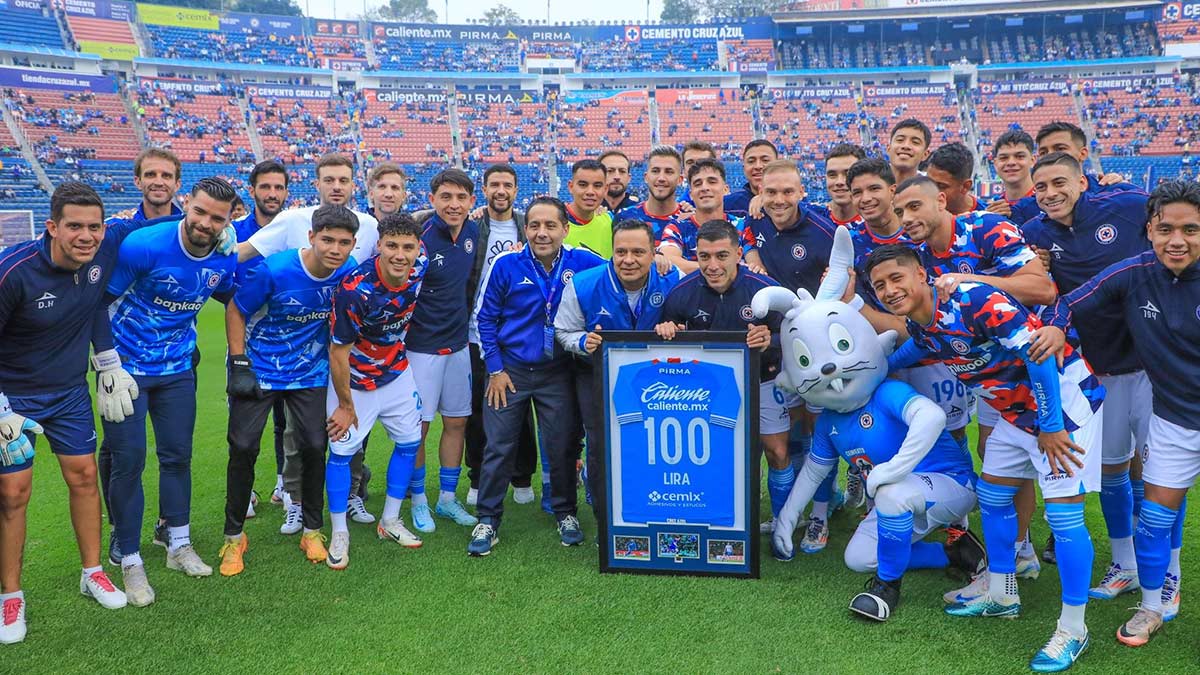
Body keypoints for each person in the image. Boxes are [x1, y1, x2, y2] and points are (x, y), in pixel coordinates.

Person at [868, 244, 1104, 673]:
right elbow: (912, 350)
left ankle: (1074, 629)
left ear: (921, 275)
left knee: (1064, 518)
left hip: (1063, 408)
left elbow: (1039, 354)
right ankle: (1002, 592)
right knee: (993, 496)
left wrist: (1052, 425)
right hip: (1016, 414)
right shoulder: (922, 324)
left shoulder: (974, 300)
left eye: (896, 278)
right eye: (879, 285)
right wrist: (868, 371)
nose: (889, 290)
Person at [759, 228, 983, 621]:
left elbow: (930, 417)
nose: (828, 368)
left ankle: (886, 589)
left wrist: (890, 471)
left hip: (951, 483)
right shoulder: (830, 422)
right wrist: (788, 518)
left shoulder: (887, 393)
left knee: (893, 496)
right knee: (858, 557)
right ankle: (954, 552)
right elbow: (813, 472)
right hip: (898, 493)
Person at [1033, 179, 1200, 645]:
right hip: (1175, 421)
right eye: (1166, 229)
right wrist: (1056, 329)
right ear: (1149, 231)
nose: (1177, 241)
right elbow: (1067, 303)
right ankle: (1151, 607)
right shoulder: (1133, 272)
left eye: (1190, 230)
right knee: (1155, 520)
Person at [895, 175, 1056, 579]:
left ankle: (1029, 550)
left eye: (914, 206)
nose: (906, 217)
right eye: (900, 211)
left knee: (1050, 470)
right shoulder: (919, 257)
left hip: (1034, 365)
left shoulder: (985, 227)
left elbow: (1043, 289)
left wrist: (973, 280)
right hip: (987, 375)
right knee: (994, 456)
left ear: (941, 200)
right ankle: (1017, 552)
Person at [0, 183, 134, 644]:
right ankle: (10, 596)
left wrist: (108, 360)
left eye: (94, 227)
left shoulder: (101, 254)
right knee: (12, 493)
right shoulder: (13, 271)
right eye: (74, 226)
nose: (86, 236)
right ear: (52, 227)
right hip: (13, 400)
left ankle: (92, 572)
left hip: (70, 394)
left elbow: (159, 217)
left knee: (84, 478)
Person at [1021, 152, 1157, 601]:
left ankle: (1164, 572)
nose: (1050, 193)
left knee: (1160, 476)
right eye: (1041, 187)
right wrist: (1036, 263)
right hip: (1101, 367)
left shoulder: (1128, 205)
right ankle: (1125, 564)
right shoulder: (1035, 233)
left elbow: (1174, 223)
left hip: (1154, 364)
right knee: (1112, 469)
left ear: (1083, 181)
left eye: (1059, 182)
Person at [103, 177, 241, 604]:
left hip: (178, 370)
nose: (205, 223)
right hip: (126, 371)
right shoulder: (144, 246)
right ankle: (130, 560)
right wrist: (106, 365)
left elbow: (232, 296)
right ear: (186, 204)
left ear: (229, 221)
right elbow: (98, 304)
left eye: (217, 218)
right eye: (199, 212)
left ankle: (177, 543)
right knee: (128, 462)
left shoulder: (224, 256)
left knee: (177, 457)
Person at [219, 204, 359, 576]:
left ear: (353, 244)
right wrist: (239, 362)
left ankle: (312, 531)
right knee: (243, 448)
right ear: (311, 237)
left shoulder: (348, 272)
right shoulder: (275, 270)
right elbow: (236, 309)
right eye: (327, 240)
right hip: (261, 370)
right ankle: (234, 537)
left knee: (314, 446)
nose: (335, 249)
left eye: (344, 242)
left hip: (310, 373)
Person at [240, 153, 379, 528]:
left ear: (353, 184)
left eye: (343, 180)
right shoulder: (292, 220)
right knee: (295, 433)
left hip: (342, 349)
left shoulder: (368, 226)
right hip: (291, 354)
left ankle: (351, 493)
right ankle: (295, 498)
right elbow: (246, 252)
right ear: (316, 183)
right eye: (329, 179)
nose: (336, 186)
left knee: (349, 423)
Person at [469, 196, 605, 556]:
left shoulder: (584, 262)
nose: (541, 233)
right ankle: (488, 518)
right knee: (499, 446)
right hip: (509, 371)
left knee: (561, 445)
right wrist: (495, 369)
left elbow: (620, 274)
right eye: (534, 226)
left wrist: (662, 261)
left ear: (565, 229)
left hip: (557, 371)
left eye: (550, 226)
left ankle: (565, 512)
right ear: (525, 229)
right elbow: (484, 318)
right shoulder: (506, 264)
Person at [654, 220, 798, 553]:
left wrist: (771, 340)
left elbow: (795, 334)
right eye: (704, 256)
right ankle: (716, 518)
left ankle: (783, 522)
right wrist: (667, 331)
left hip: (763, 380)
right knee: (715, 455)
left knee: (777, 452)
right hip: (706, 391)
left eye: (721, 255)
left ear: (738, 254)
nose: (712, 265)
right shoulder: (682, 292)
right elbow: (664, 335)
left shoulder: (765, 289)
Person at [739, 159, 845, 549]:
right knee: (794, 432)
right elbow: (743, 235)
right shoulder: (754, 220)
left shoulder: (823, 232)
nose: (779, 200)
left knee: (820, 433)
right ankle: (796, 510)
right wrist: (751, 252)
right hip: (775, 348)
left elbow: (843, 283)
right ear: (759, 193)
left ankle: (820, 515)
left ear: (802, 192)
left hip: (817, 353)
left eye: (788, 192)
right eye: (771, 192)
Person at [553, 219, 683, 523]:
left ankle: (652, 505)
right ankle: (605, 517)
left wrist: (677, 328)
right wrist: (583, 341)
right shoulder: (584, 284)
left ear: (653, 252)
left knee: (649, 441)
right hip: (597, 375)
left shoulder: (672, 278)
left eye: (638, 252)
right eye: (621, 251)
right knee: (600, 442)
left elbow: (688, 321)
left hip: (654, 379)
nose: (628, 260)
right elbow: (563, 330)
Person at [324, 212, 427, 570]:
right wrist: (345, 405)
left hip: (396, 372)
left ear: (418, 249)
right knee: (341, 453)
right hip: (355, 380)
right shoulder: (354, 290)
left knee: (410, 443)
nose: (400, 255)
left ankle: (390, 520)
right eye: (392, 246)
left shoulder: (420, 266)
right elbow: (337, 353)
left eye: (408, 247)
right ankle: (340, 532)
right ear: (379, 245)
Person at [406, 169, 479, 532]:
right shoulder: (419, 238)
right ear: (432, 199)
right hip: (422, 349)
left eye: (461, 197)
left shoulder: (473, 232)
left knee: (457, 421)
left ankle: (447, 498)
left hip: (459, 345)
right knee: (418, 428)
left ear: (472, 202)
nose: (454, 204)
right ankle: (418, 499)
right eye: (446, 197)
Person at [463, 164, 539, 508]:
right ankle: (478, 477)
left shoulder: (527, 225)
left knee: (520, 411)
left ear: (516, 189)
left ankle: (522, 476)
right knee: (478, 410)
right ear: (484, 189)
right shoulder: (473, 226)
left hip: (518, 335)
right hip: (477, 333)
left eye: (507, 185)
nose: (501, 191)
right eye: (494, 184)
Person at [231, 160, 290, 511]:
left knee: (287, 422)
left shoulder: (295, 227)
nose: (272, 194)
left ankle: (284, 482)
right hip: (248, 341)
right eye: (265, 187)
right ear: (252, 190)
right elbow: (220, 278)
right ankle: (247, 490)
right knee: (244, 427)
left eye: (278, 187)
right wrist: (245, 300)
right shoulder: (235, 232)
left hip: (290, 343)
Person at [659, 159, 746, 274]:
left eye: (712, 182)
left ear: (725, 189)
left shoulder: (742, 226)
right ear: (691, 194)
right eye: (698, 184)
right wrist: (723, 269)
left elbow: (754, 266)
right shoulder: (677, 228)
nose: (704, 188)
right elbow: (668, 260)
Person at [616, 145, 685, 245]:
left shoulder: (689, 220)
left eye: (669, 172)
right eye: (655, 171)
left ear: (680, 180)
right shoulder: (624, 217)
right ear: (646, 177)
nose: (661, 178)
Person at [563, 159, 614, 259]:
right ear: (571, 187)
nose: (590, 192)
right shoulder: (554, 223)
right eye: (583, 185)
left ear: (605, 189)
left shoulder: (611, 222)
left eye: (597, 186)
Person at [985, 130, 1039, 225]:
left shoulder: (1045, 201)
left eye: (1019, 156)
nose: (1011, 162)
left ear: (1033, 160)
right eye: (1004, 158)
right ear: (995, 164)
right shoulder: (993, 206)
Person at [926, 143, 985, 215]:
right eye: (928, 183)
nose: (931, 192)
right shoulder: (919, 211)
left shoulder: (987, 216)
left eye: (941, 186)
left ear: (965, 187)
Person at [725, 139, 778, 215]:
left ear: (778, 165)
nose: (758, 166)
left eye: (765, 160)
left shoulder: (792, 202)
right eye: (751, 161)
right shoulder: (727, 205)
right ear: (744, 168)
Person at [886, 119, 932, 186]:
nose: (906, 146)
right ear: (888, 148)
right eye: (900, 140)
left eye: (915, 142)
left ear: (925, 154)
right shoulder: (872, 180)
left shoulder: (930, 187)